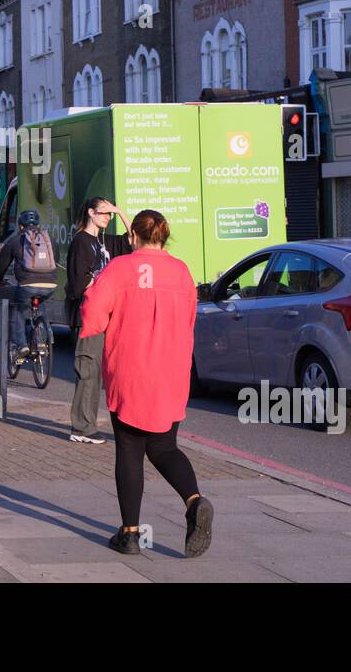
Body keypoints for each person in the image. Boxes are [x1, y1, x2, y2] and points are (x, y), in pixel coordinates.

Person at [79, 209, 214, 559]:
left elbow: (93, 314)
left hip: (131, 371)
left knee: (128, 450)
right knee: (164, 447)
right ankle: (194, 500)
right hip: (171, 370)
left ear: (132, 237)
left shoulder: (120, 268)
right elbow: (188, 319)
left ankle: (130, 533)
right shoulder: (181, 272)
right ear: (163, 237)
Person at [64, 198, 131, 444]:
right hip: (88, 315)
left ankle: (86, 424)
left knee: (99, 373)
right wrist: (105, 285)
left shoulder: (104, 241)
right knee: (88, 369)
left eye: (110, 215)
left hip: (104, 314)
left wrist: (120, 211)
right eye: (103, 213)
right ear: (90, 213)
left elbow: (134, 240)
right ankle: (82, 427)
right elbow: (78, 283)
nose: (107, 217)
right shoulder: (81, 242)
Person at [0, 209, 58, 354]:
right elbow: (56, 260)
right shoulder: (48, 240)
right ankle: (42, 340)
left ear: (20, 226)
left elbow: (2, 264)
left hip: (27, 285)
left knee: (20, 312)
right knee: (41, 307)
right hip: (50, 283)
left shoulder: (15, 240)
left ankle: (22, 345)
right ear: (37, 225)